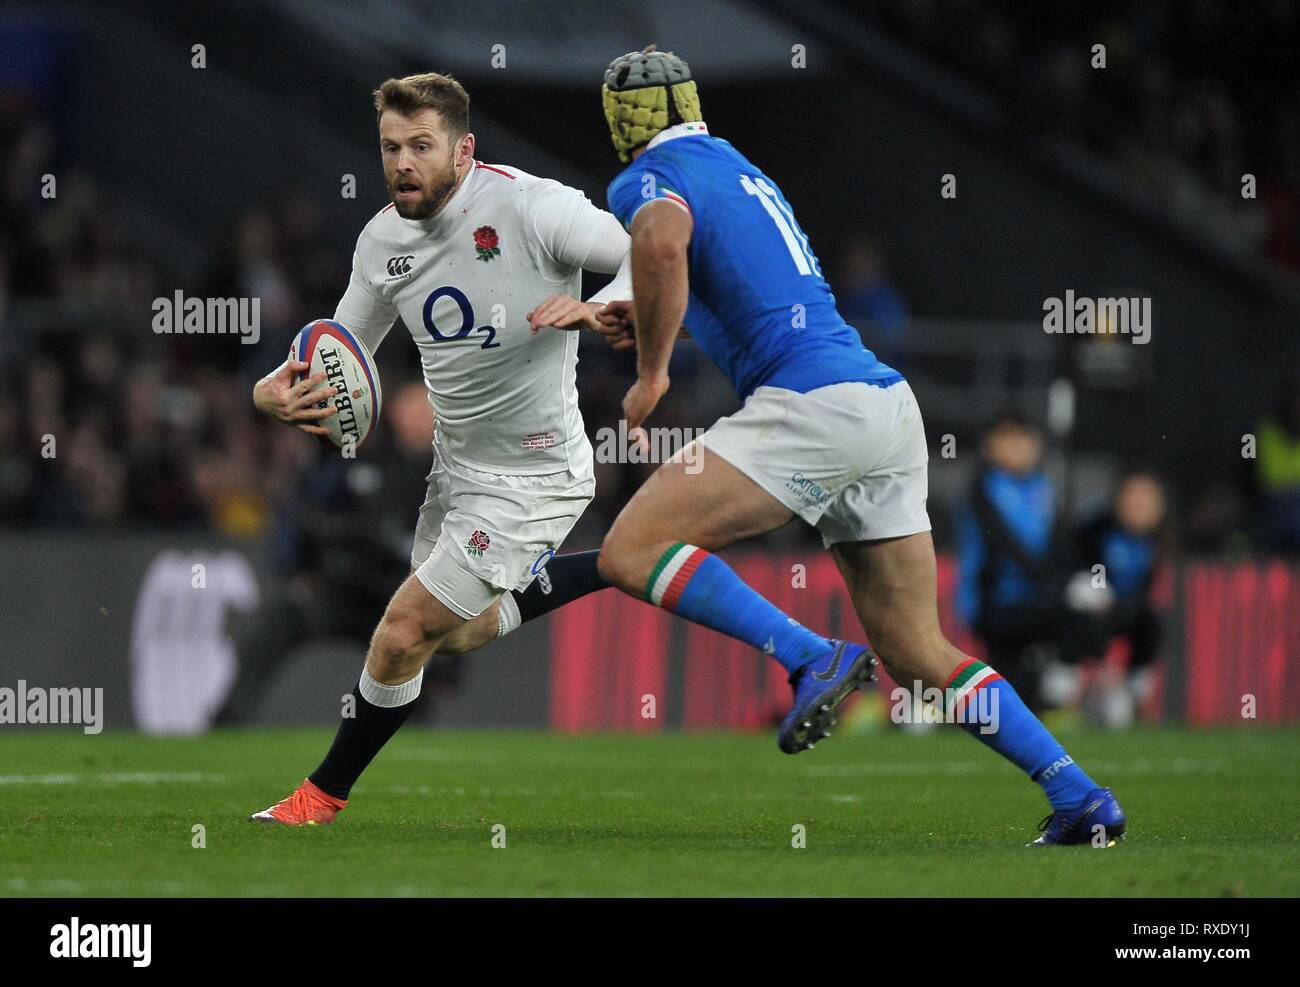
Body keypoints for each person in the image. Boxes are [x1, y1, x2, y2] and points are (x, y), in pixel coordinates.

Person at [591, 46, 1125, 845]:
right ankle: (1079, 794)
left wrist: (653, 370)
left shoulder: (642, 179)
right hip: (882, 401)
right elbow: (726, 272)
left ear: (622, 120)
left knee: (630, 548)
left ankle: (809, 655)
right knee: (915, 650)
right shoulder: (734, 163)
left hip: (812, 405)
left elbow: (663, 245)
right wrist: (658, 313)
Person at [247, 72, 630, 825]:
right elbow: (334, 348)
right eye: (391, 147)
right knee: (455, 635)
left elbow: (642, 254)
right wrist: (268, 394)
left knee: (400, 633)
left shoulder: (530, 206)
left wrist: (600, 306)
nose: (402, 163)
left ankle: (318, 797)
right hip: (455, 470)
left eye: (422, 145)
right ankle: (618, 566)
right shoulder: (383, 241)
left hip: (535, 473)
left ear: (464, 149)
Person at [956, 411, 1071, 709]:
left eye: (1024, 439)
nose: (1017, 448)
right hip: (994, 605)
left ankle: (1052, 691)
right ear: (989, 446)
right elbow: (1006, 546)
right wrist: (1061, 587)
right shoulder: (982, 490)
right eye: (1007, 439)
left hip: (1033, 604)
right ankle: (1058, 689)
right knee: (1074, 618)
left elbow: (1060, 545)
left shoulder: (1044, 488)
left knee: (1014, 699)